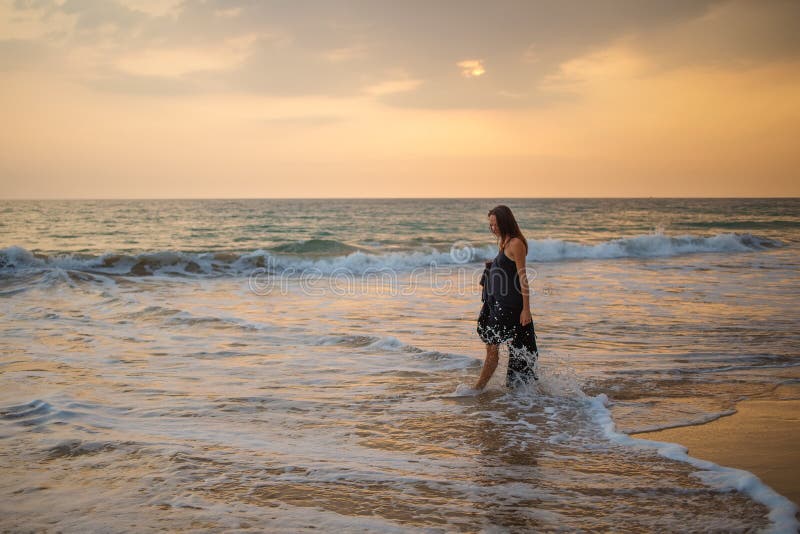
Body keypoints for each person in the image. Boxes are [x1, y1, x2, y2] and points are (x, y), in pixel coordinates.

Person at [474, 205, 539, 390]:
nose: (492, 228)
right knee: (492, 345)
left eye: (495, 224)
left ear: (504, 222)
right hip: (498, 304)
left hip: (510, 306)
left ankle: (477, 389)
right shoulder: (504, 242)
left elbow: (523, 278)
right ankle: (518, 389)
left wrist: (526, 310)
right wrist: (494, 266)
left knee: (492, 347)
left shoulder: (516, 243)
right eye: (490, 225)